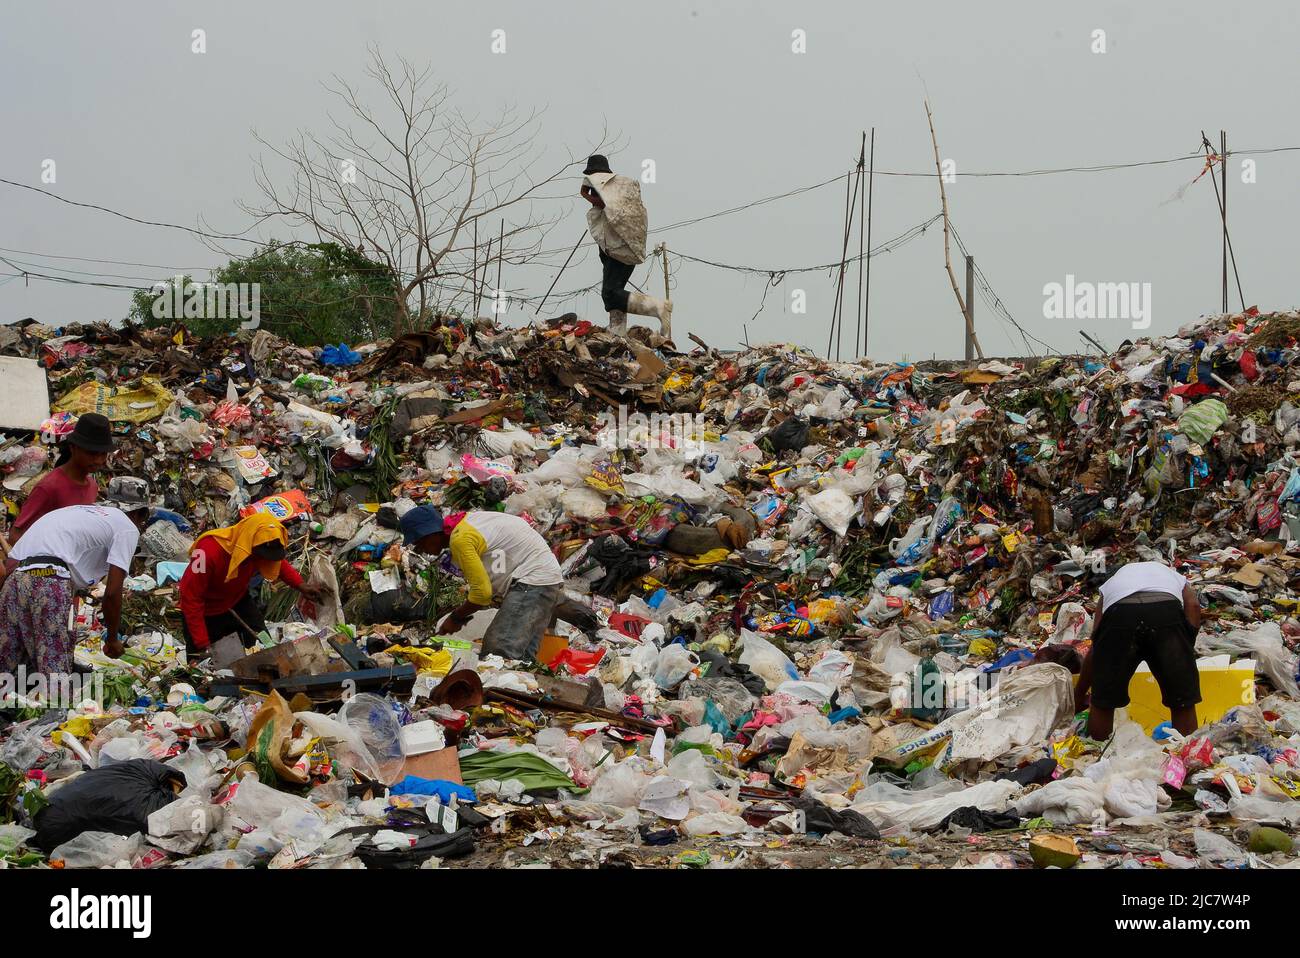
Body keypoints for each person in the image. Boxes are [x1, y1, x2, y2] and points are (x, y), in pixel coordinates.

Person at [0, 477, 152, 675]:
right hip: (51, 581)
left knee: (6, 661)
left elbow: (12, 562)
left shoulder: (80, 512)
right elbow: (113, 592)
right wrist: (113, 639)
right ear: (140, 513)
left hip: (17, 579)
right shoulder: (127, 526)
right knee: (53, 670)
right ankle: (56, 705)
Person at [401, 504, 567, 661]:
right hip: (546, 579)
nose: (421, 550)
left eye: (419, 543)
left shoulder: (460, 539)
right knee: (523, 657)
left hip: (533, 579)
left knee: (498, 651)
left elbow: (482, 594)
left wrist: (456, 617)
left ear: (430, 534)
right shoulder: (468, 522)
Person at [1074, 560, 1203, 739]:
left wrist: (1079, 694)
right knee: (1182, 700)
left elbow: (1098, 647)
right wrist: (1185, 643)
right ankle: (1188, 756)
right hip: (1166, 613)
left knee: (1103, 701)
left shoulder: (1111, 584)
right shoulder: (1174, 576)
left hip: (1120, 615)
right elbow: (1194, 606)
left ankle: (1095, 751)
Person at [179, 512, 329, 655]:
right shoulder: (208, 551)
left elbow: (278, 564)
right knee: (202, 666)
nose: (262, 560)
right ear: (247, 544)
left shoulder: (258, 548)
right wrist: (202, 643)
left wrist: (300, 585)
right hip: (205, 613)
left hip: (237, 601)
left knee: (264, 646)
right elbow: (190, 597)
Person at [579, 154, 672, 337]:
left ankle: (659, 308)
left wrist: (584, 194)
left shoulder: (607, 191)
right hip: (620, 247)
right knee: (613, 293)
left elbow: (605, 205)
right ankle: (617, 332)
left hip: (618, 249)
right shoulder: (614, 190)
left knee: (611, 293)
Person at [9, 412, 113, 544]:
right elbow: (16, 535)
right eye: (91, 453)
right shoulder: (49, 487)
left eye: (103, 454)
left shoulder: (92, 486)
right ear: (73, 447)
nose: (98, 460)